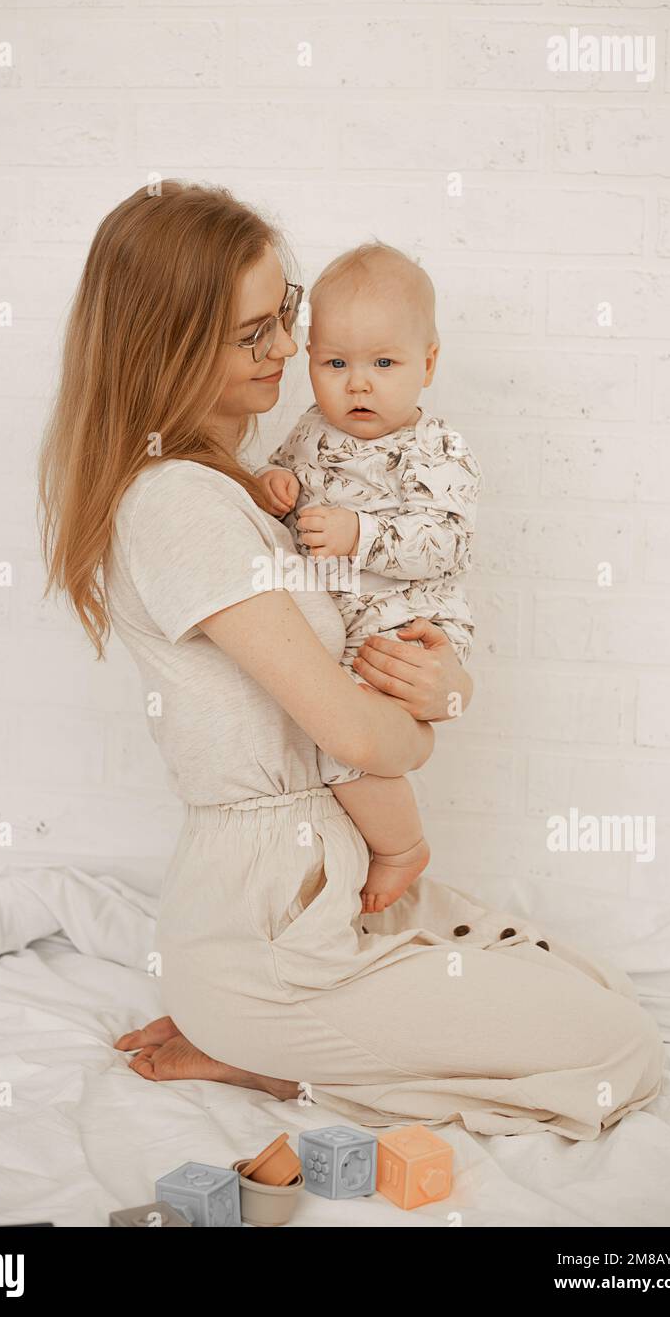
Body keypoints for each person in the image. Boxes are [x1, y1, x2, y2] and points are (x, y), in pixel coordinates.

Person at [38, 180, 663, 1139]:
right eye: (257, 333)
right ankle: (279, 1056)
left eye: (282, 317)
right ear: (170, 343)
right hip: (273, 932)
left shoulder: (249, 489)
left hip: (326, 889)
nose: (289, 351)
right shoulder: (177, 505)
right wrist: (419, 730)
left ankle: (277, 1046)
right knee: (619, 1052)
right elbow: (345, 727)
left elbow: (378, 640)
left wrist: (445, 683)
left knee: (583, 979)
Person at [256, 240, 483, 913]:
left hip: (407, 627)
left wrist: (363, 534)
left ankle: (402, 847)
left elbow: (449, 541)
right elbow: (289, 486)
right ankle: (349, 865)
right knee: (320, 740)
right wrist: (274, 484)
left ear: (428, 363)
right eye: (335, 363)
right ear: (310, 357)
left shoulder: (435, 448)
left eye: (384, 363)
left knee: (343, 744)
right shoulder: (309, 430)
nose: (358, 383)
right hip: (340, 627)